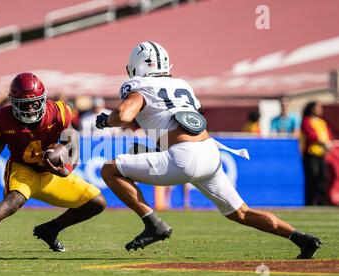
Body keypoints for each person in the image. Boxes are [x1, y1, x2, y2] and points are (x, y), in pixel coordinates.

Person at [96, 41, 321, 259]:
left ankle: (153, 224)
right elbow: (188, 121)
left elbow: (124, 116)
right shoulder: (183, 85)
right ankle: (299, 237)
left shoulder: (138, 85)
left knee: (109, 170)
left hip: (184, 158)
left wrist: (106, 121)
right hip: (210, 153)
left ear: (137, 66)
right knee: (241, 213)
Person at [0, 72, 106, 254]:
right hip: (23, 170)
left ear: (43, 100)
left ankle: (50, 229)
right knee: (13, 201)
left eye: (34, 103)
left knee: (96, 203)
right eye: (24, 105)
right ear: (13, 103)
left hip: (50, 173)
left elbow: (72, 140)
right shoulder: (1, 119)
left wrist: (67, 168)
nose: (30, 109)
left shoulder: (58, 112)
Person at [301, 101, 333, 206]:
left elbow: (328, 135)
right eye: (317, 107)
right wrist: (324, 143)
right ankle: (310, 202)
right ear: (312, 109)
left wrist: (329, 144)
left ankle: (321, 201)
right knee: (312, 178)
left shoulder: (322, 122)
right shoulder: (306, 121)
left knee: (322, 178)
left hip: (322, 154)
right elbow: (311, 135)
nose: (320, 109)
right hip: (311, 154)